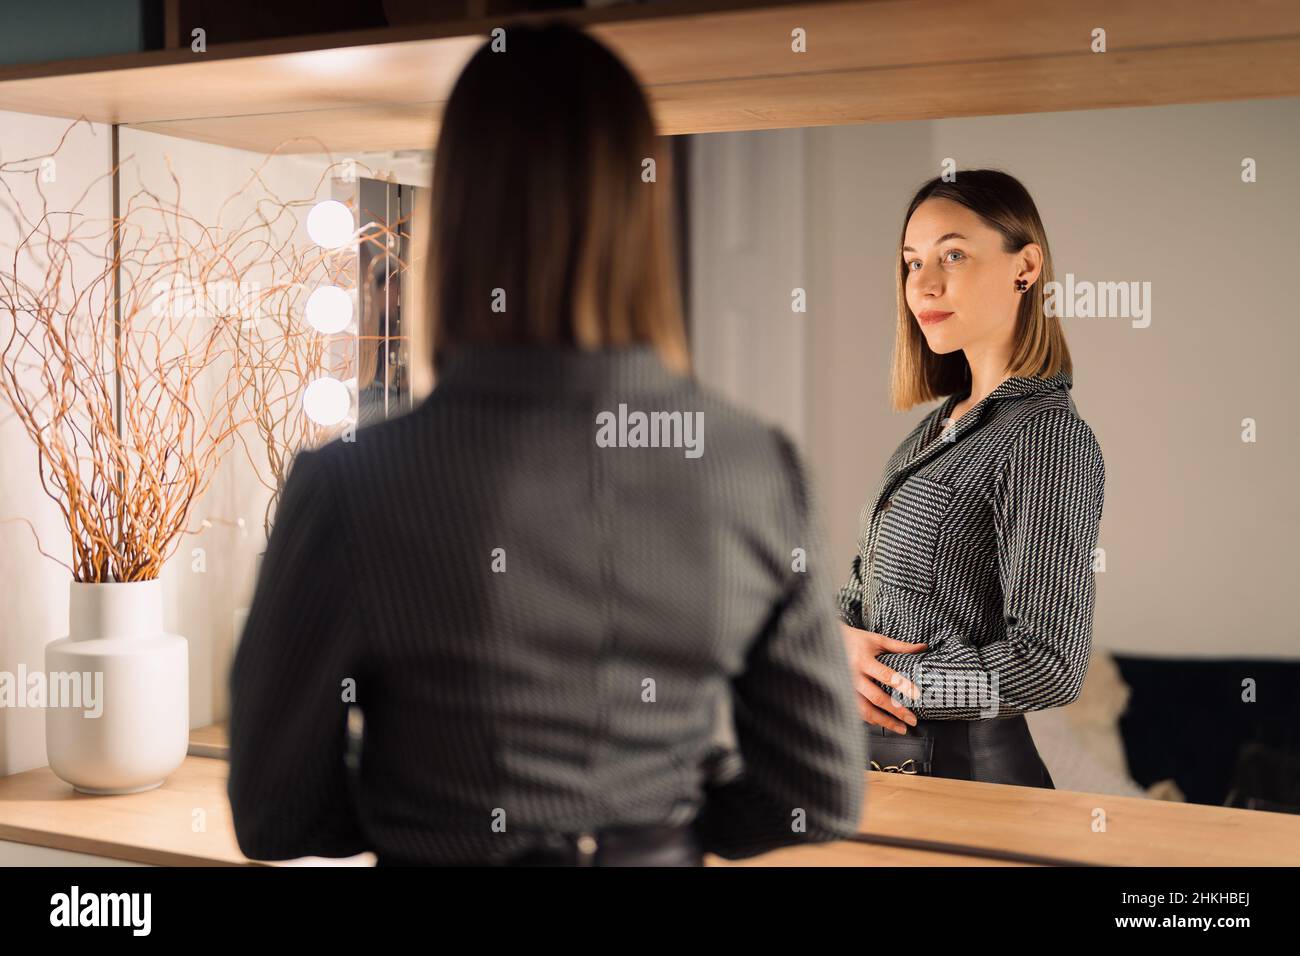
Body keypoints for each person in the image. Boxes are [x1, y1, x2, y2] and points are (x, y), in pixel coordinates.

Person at [228, 21, 866, 866]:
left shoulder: (350, 489)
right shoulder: (756, 470)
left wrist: (427, 815)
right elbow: (817, 793)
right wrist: (658, 819)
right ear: (641, 214)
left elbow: (277, 815)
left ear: (453, 218)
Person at [837, 169, 1106, 788]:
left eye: (952, 255)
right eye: (911, 263)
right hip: (885, 770)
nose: (923, 284)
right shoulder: (928, 436)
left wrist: (891, 682)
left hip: (975, 782)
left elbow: (1050, 664)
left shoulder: (1045, 435)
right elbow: (865, 603)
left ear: (1026, 267)